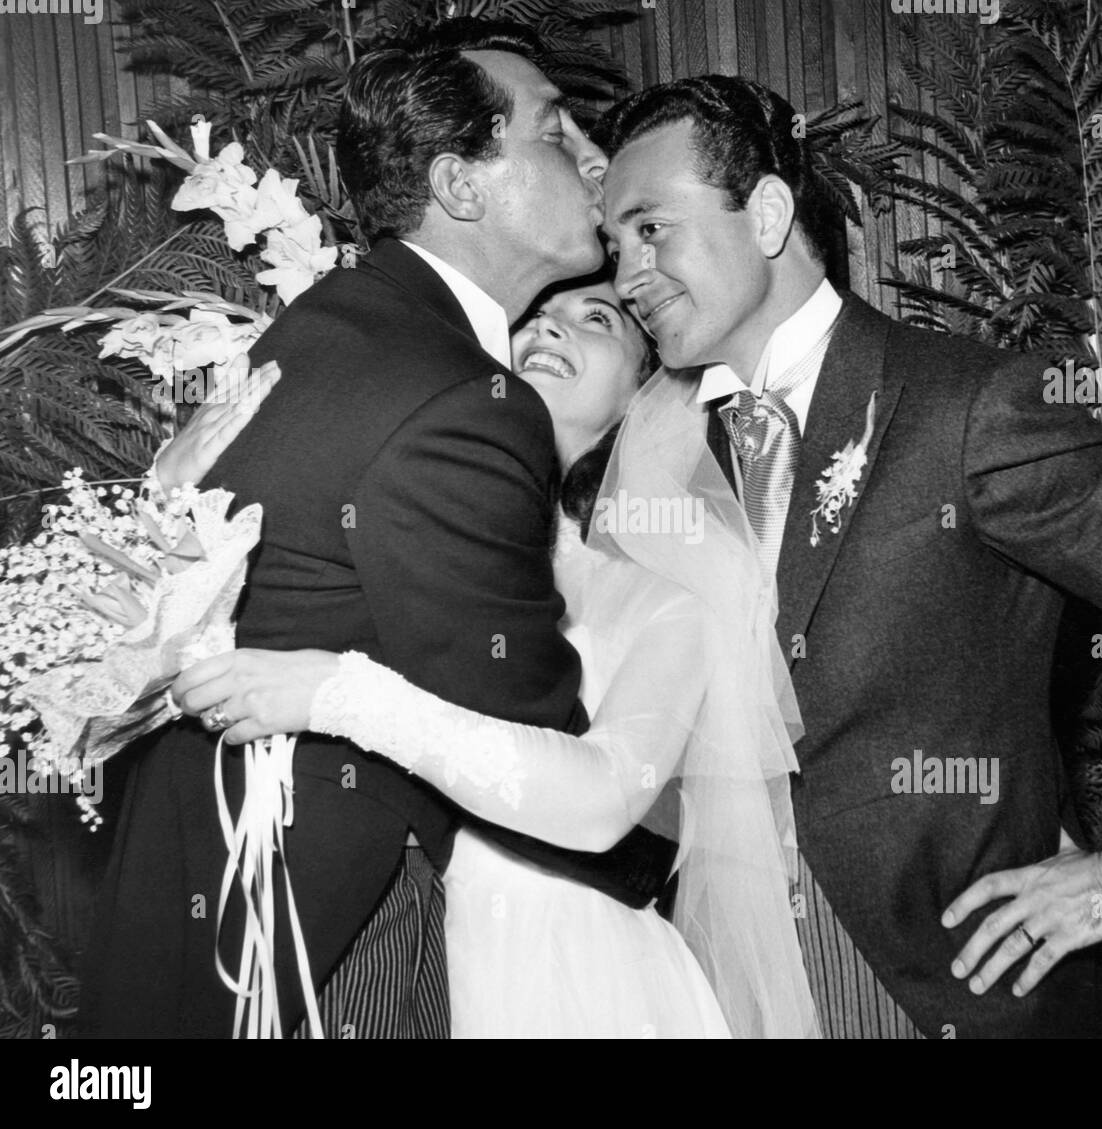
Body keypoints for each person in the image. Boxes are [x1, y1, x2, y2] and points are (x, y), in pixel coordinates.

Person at [582, 74, 1102, 1039]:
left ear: (765, 212)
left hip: (952, 979)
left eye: (650, 228)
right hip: (730, 981)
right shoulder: (668, 454)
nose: (627, 274)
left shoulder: (970, 406)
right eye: (614, 245)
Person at [78, 20, 677, 1038]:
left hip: (205, 911)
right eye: (554, 130)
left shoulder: (328, 324)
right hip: (331, 934)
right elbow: (522, 725)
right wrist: (667, 875)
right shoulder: (458, 394)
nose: (591, 157)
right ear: (461, 185)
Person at [165, 275, 818, 1037]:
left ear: (643, 392)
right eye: (534, 318)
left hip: (573, 971)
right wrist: (176, 507)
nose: (548, 330)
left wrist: (338, 694)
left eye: (595, 317)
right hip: (396, 949)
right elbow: (223, 669)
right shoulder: (420, 523)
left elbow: (607, 798)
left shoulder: (667, 594)